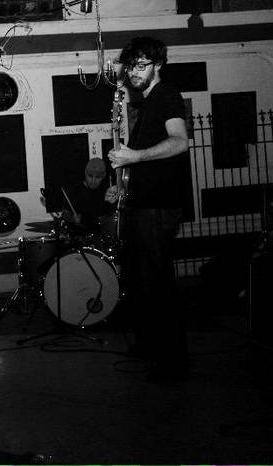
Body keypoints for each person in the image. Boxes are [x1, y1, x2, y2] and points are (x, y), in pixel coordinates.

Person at [108, 36, 191, 382]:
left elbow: (180, 142)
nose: (133, 72)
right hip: (143, 203)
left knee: (158, 284)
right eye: (130, 66)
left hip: (159, 206)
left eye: (140, 65)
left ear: (158, 65)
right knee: (141, 281)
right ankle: (150, 343)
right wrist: (122, 185)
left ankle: (173, 362)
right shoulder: (148, 103)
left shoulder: (166, 94)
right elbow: (142, 162)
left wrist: (136, 155)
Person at [61, 157, 118, 233]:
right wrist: (72, 219)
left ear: (104, 175)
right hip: (78, 234)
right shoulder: (74, 191)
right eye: (90, 176)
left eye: (98, 177)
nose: (93, 180)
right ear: (85, 173)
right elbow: (65, 214)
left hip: (99, 234)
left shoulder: (107, 192)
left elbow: (109, 217)